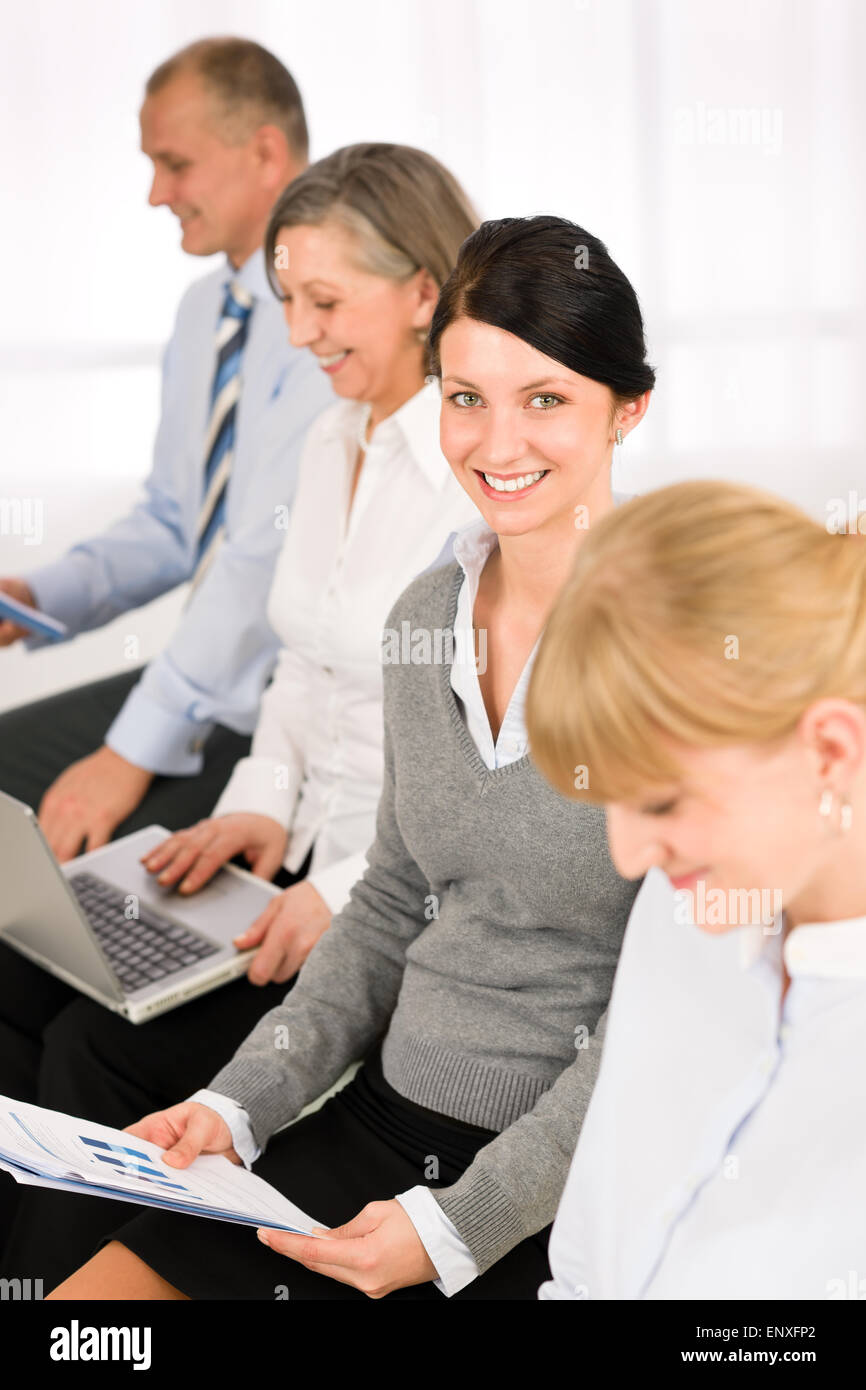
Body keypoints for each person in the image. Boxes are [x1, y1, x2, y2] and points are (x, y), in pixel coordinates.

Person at [47, 212, 653, 1302]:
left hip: (549, 1189)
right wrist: (239, 1107)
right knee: (83, 1322)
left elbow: (661, 1015)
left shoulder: (681, 651)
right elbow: (386, 904)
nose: (495, 442)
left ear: (628, 410)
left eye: (544, 399)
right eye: (465, 397)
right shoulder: (426, 614)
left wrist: (454, 1227)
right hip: (376, 1127)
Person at [0, 143, 480, 1291]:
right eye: (286, 304)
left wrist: (341, 884)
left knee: (97, 1052)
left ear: (423, 290)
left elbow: (475, 761)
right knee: (21, 976)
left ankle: (70, 1305)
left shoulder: (475, 471)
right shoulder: (331, 439)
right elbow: (302, 670)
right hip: (287, 867)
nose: (302, 332)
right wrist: (255, 811)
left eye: (326, 302)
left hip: (383, 901)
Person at [0, 34, 334, 1257]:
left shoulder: (326, 315)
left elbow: (256, 567)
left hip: (253, 698)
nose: (155, 193)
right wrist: (38, 592)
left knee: (61, 865)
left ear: (263, 150)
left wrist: (132, 754)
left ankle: (72, 1256)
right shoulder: (210, 311)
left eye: (171, 162)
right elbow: (172, 525)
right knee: (10, 788)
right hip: (203, 666)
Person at [524, 480, 866, 1300]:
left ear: (828, 751)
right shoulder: (685, 907)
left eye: (662, 800)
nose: (630, 854)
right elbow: (586, 1269)